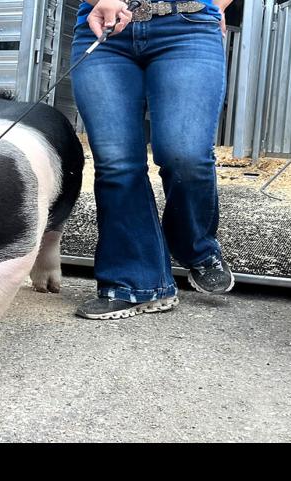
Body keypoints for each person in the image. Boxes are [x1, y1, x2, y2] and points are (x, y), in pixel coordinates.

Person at [71, 0, 237, 320]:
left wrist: (213, 5)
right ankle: (137, 284)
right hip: (105, 27)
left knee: (185, 154)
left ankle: (196, 248)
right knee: (117, 164)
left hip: (187, 27)